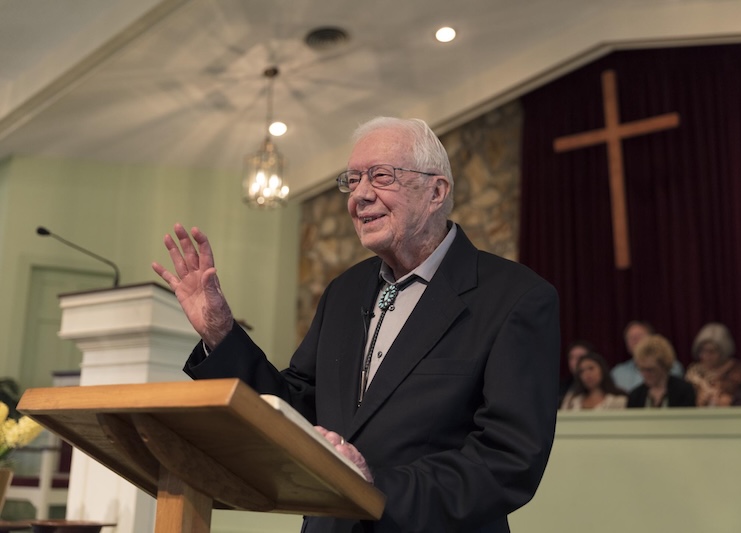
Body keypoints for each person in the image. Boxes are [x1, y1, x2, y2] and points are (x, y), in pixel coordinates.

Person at [152, 117, 560, 532]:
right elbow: (295, 412)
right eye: (353, 179)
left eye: (381, 176)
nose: (360, 195)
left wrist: (373, 487)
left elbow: (508, 459)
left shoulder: (515, 298)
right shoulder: (344, 293)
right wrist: (220, 334)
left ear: (436, 191)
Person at [684, 322, 741, 406]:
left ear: (723, 351)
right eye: (702, 351)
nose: (706, 356)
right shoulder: (693, 371)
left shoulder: (737, 370)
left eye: (711, 351)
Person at [610, 320, 684, 392]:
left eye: (639, 336)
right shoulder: (617, 372)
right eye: (631, 338)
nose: (635, 341)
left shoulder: (671, 367)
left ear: (652, 338)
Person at [627, 334, 696, 408]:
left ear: (664, 366)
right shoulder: (635, 396)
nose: (645, 374)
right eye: (641, 369)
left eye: (650, 370)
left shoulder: (684, 391)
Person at [560, 352, 627, 410]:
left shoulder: (618, 400)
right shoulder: (571, 401)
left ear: (602, 370)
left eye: (591, 368)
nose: (587, 374)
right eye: (582, 371)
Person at [558, 339, 594, 403]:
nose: (575, 362)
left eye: (580, 357)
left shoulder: (599, 387)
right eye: (571, 357)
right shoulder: (561, 387)